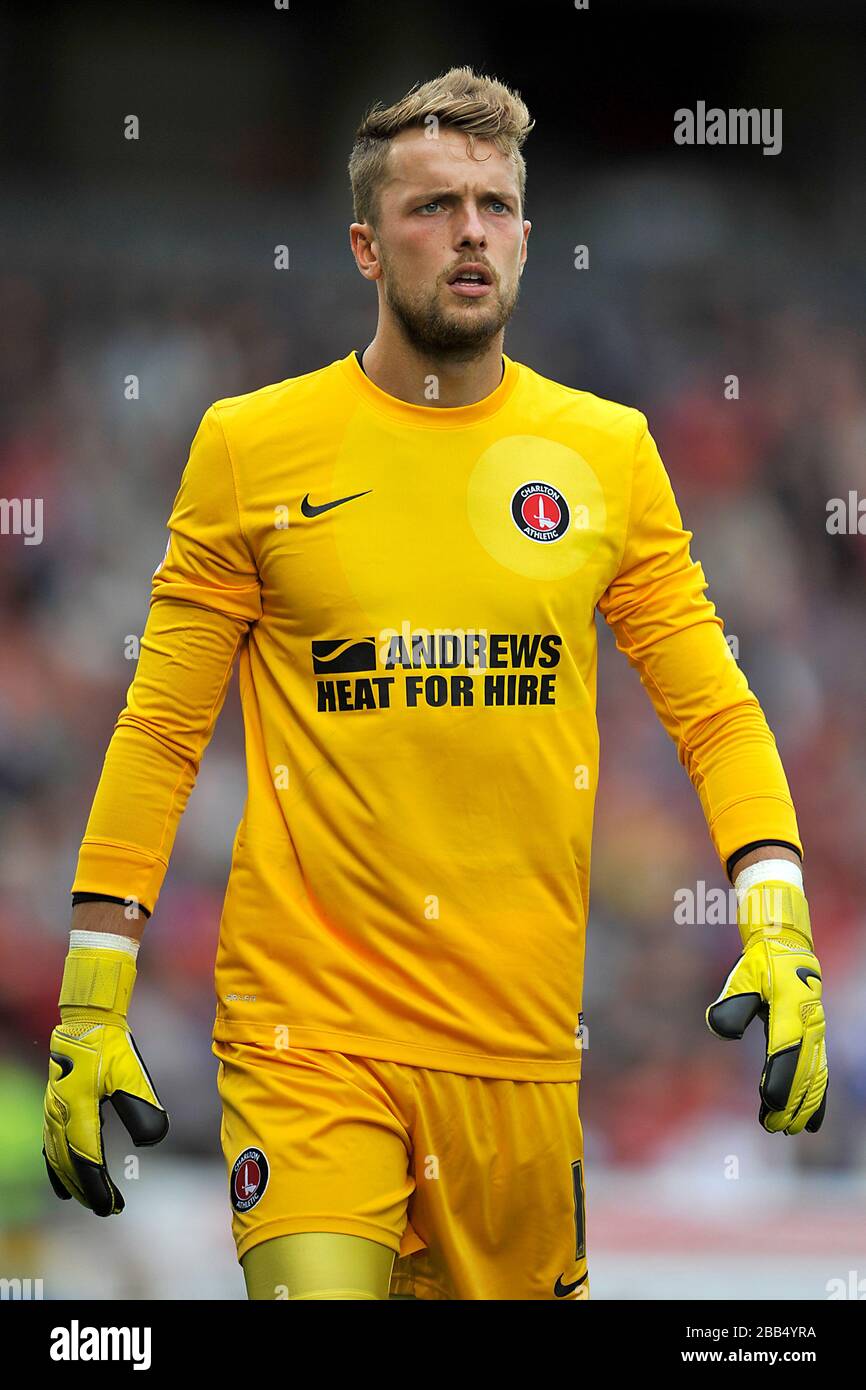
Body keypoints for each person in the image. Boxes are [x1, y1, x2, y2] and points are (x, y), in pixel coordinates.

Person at [42, 66, 828, 1301]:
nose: (468, 230)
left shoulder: (605, 453)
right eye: (431, 206)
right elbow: (161, 727)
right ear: (364, 244)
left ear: (524, 236)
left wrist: (774, 915)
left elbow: (714, 705)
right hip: (310, 1039)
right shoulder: (250, 448)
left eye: (494, 205)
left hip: (516, 1056)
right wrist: (95, 992)